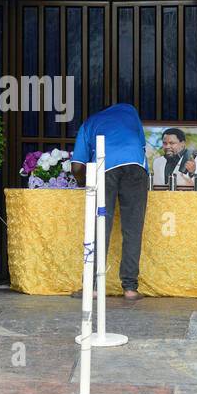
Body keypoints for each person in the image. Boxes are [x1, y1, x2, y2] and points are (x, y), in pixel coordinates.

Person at [68, 103, 149, 301]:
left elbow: (77, 166)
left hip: (105, 168)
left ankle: (93, 287)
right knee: (132, 229)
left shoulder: (89, 124)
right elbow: (141, 145)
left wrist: (83, 183)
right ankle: (130, 288)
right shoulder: (130, 111)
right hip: (137, 167)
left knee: (100, 227)